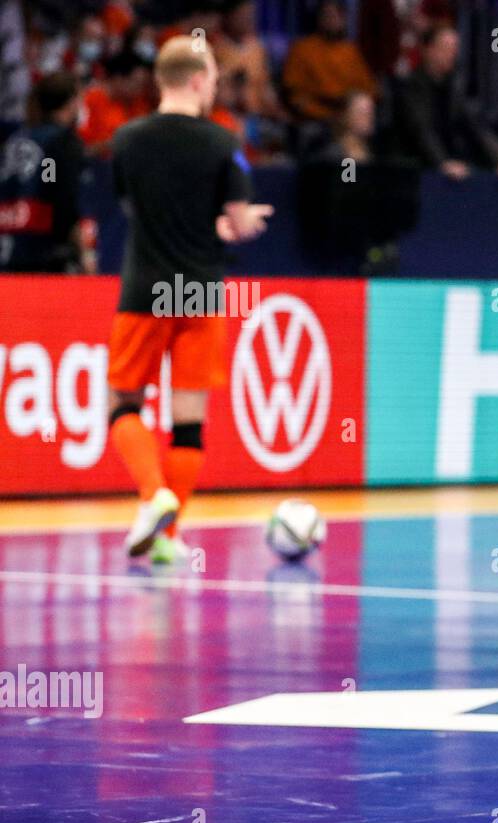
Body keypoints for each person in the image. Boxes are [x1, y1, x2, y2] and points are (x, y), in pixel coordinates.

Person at [106, 36, 272, 563]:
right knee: (188, 422)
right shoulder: (224, 143)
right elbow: (237, 221)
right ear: (198, 79)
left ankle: (153, 496)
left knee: (122, 404)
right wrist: (239, 225)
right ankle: (169, 539)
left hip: (145, 286)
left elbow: (132, 205)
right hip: (200, 290)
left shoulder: (126, 139)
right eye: (214, 81)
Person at [389, 24, 498, 182]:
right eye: (445, 47)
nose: (451, 54)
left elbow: (475, 129)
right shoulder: (410, 88)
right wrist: (442, 162)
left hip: (447, 169)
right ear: (427, 49)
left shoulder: (454, 88)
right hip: (412, 172)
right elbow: (422, 131)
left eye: (454, 48)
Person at [0, 72, 95, 274]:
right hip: (44, 257)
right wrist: (84, 253)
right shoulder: (62, 141)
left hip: (9, 251)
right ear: (71, 103)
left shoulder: (16, 139)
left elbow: (45, 178)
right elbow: (63, 198)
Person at [281, 0, 376, 123]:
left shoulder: (351, 51)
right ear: (319, 18)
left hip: (348, 114)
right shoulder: (302, 49)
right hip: (316, 117)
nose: (333, 20)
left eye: (337, 16)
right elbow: (294, 93)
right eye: (328, 15)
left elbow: (368, 88)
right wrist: (321, 114)